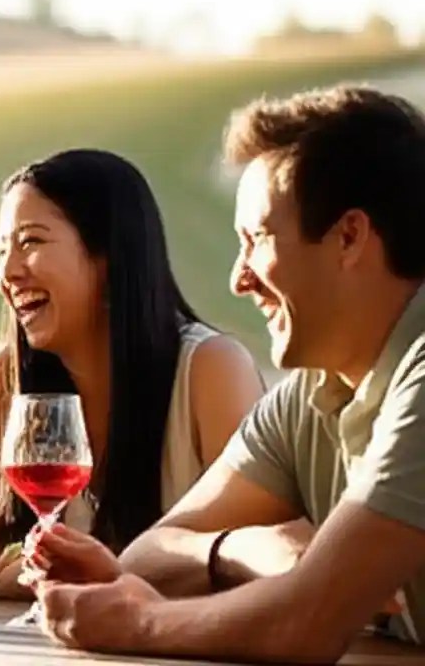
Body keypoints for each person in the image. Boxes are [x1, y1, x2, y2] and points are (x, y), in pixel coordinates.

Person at [36, 85, 425, 662]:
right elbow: (146, 558)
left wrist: (136, 622)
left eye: (256, 239)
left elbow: (307, 623)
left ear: (349, 237)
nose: (238, 279)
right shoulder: (313, 395)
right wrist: (245, 549)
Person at [0, 148, 263, 598]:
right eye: (1, 251)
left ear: (107, 254)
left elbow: (251, 558)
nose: (8, 272)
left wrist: (41, 578)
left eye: (30, 242)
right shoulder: (8, 376)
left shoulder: (211, 369)